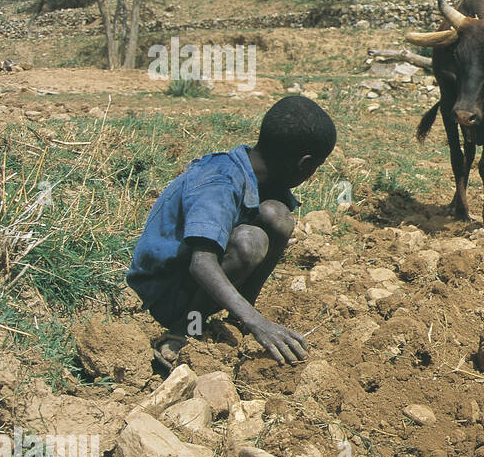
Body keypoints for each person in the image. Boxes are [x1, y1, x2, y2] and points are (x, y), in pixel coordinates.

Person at [127, 95, 336, 370]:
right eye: (315, 169)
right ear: (305, 165)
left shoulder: (262, 175)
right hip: (162, 294)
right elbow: (201, 263)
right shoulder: (220, 182)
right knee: (251, 240)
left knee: (277, 216)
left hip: (195, 286)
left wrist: (246, 313)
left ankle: (237, 314)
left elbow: (274, 221)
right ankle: (185, 328)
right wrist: (258, 322)